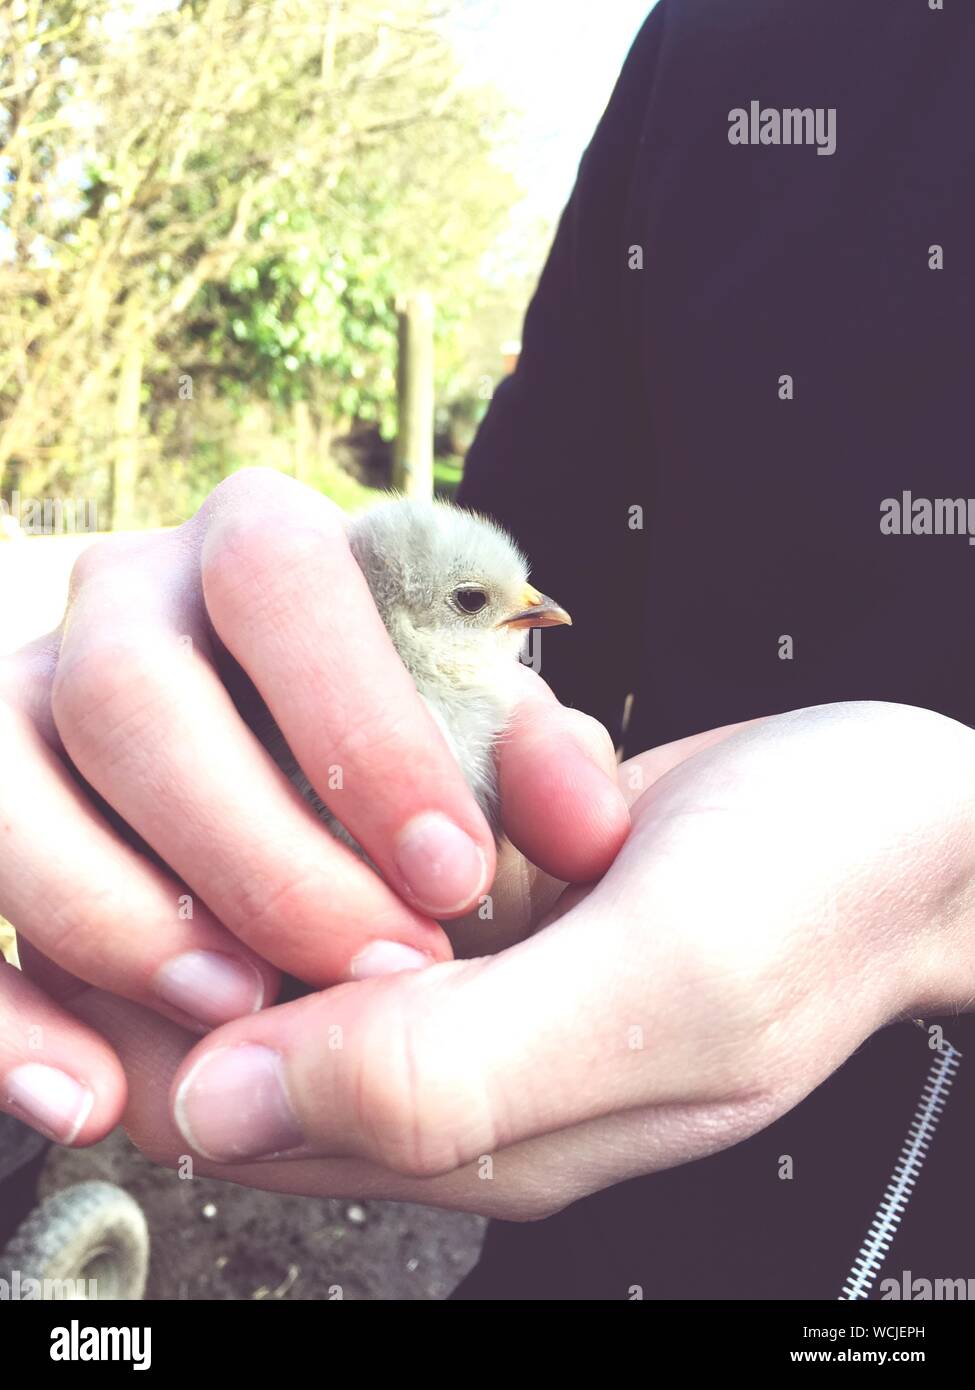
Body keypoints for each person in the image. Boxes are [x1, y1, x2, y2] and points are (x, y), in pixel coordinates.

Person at [2, 0, 974, 1299]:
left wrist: (953, 893)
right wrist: (204, 645)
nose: (530, 615)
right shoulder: (730, 49)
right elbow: (519, 559)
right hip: (610, 1234)